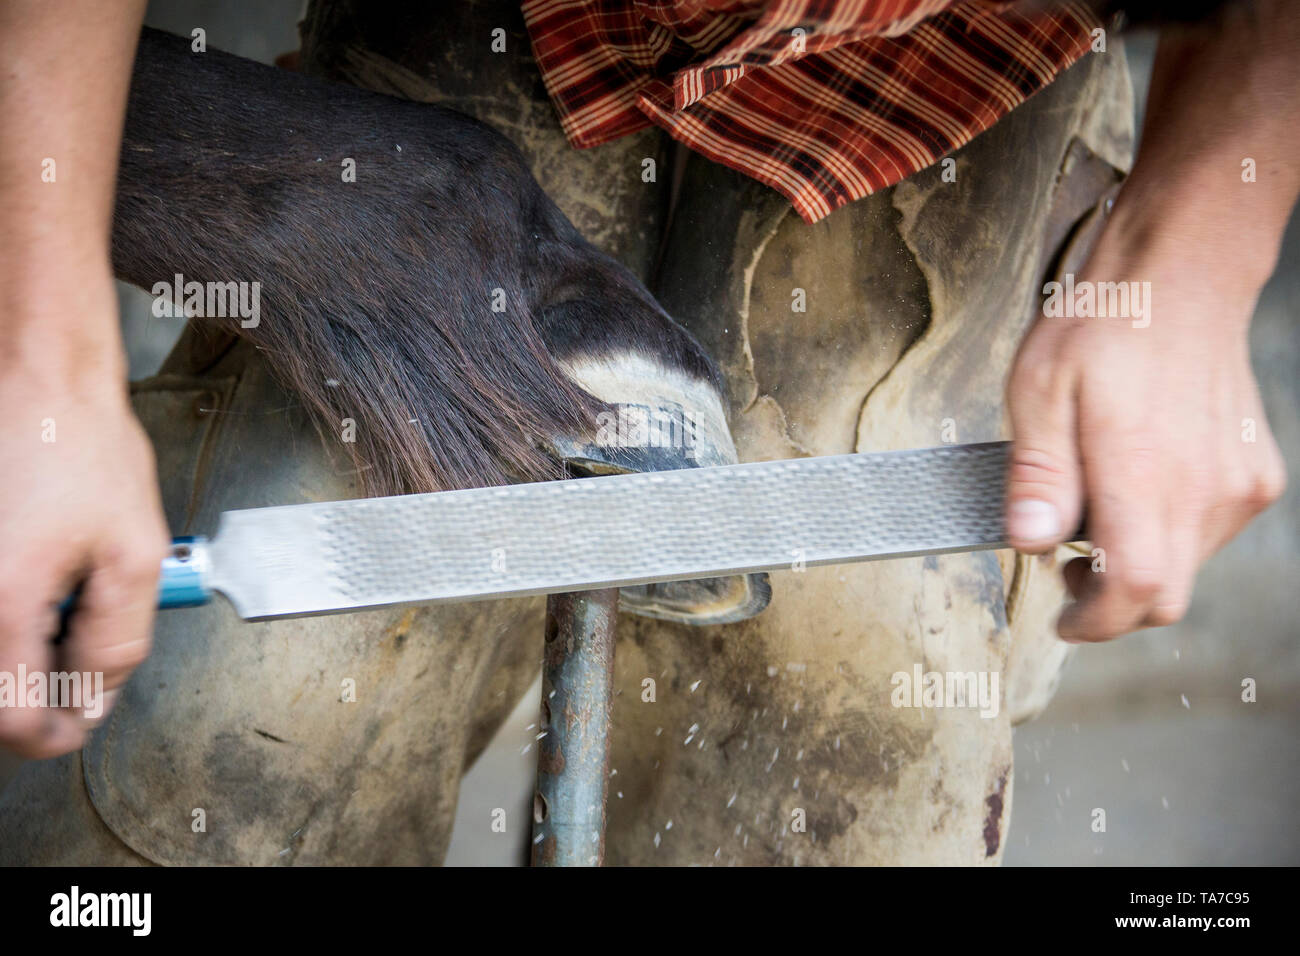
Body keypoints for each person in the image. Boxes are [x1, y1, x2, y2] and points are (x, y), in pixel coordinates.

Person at [0, 0, 1292, 864]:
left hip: (949, 69)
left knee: (863, 705)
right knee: (237, 717)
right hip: (499, 17)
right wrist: (39, 365)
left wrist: (1187, 268)